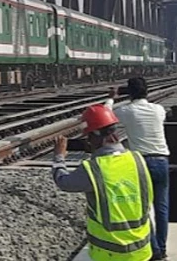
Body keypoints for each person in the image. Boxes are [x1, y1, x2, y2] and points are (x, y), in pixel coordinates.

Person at [53, 104, 155, 261]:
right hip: (142, 251)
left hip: (110, 254)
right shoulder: (137, 159)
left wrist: (59, 157)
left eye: (87, 137)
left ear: (94, 136)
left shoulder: (94, 168)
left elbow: (64, 182)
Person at [114, 77, 170, 260]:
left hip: (141, 163)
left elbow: (106, 113)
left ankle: (154, 249)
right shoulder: (159, 110)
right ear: (147, 91)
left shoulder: (126, 110)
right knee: (161, 207)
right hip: (162, 160)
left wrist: (112, 97)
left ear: (129, 93)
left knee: (144, 207)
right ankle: (161, 247)